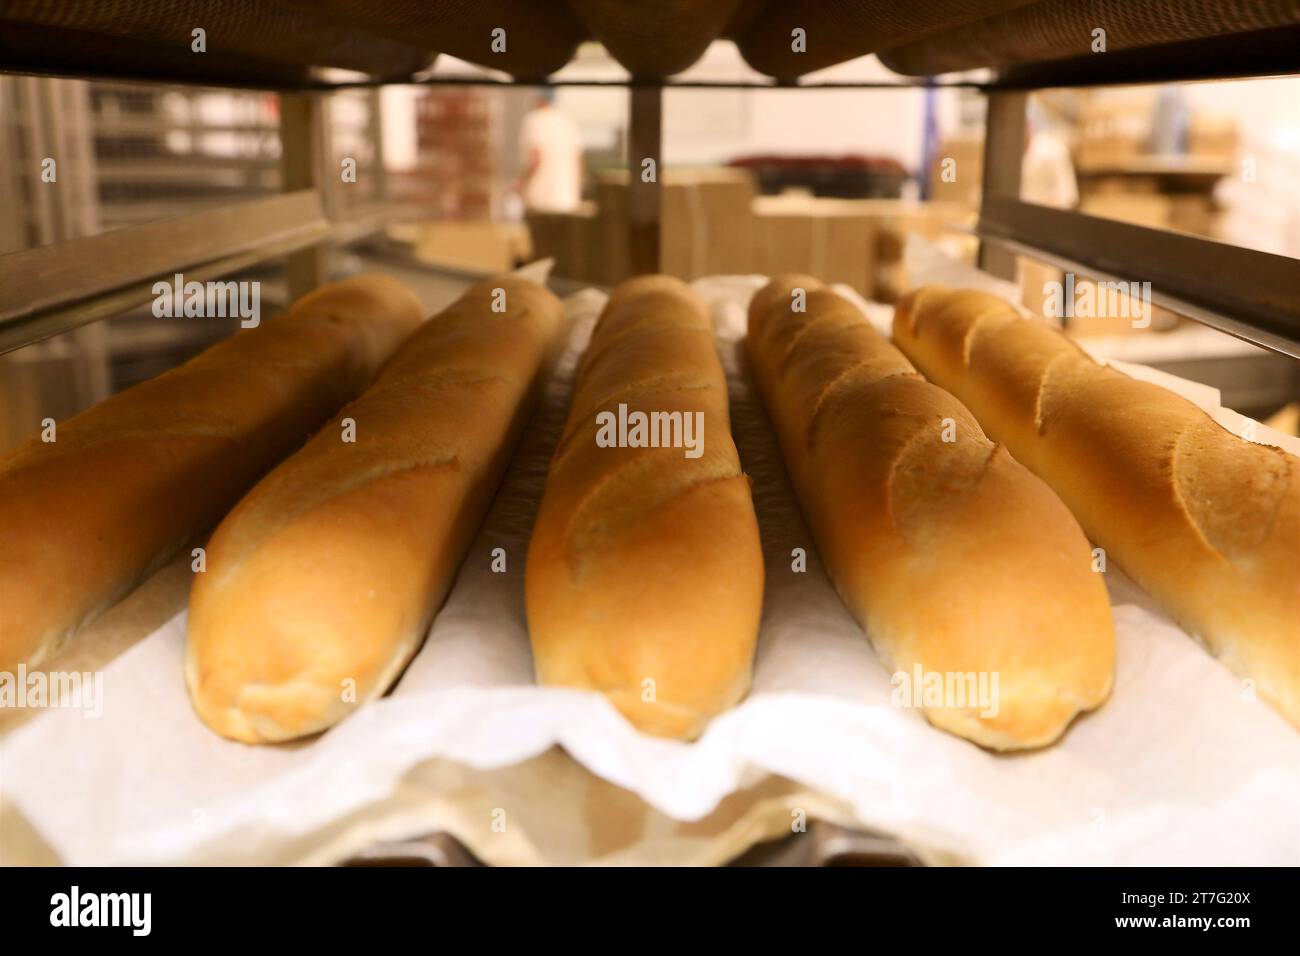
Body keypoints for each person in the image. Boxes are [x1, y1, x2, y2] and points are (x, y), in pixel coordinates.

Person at [515, 89, 583, 213]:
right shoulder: (568, 122)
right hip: (567, 198)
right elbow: (578, 160)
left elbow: (535, 160)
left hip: (541, 198)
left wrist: (521, 184)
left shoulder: (534, 120)